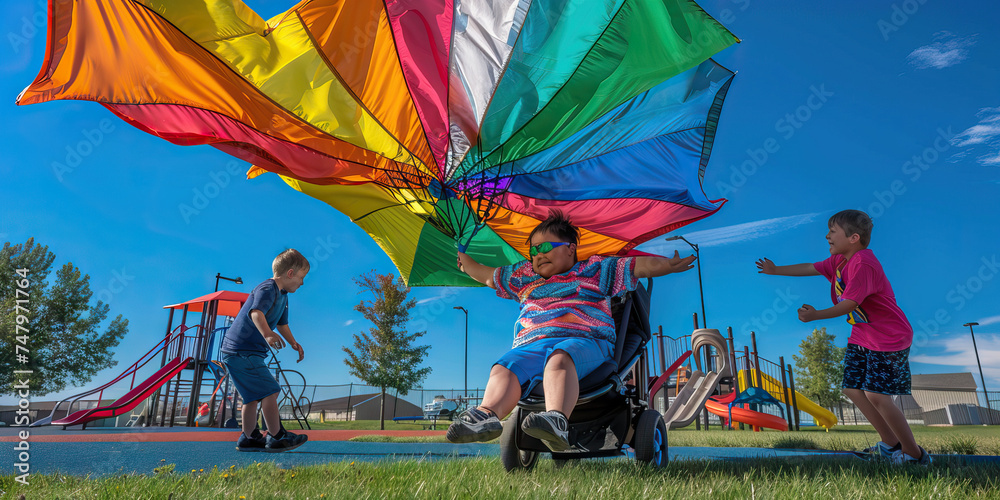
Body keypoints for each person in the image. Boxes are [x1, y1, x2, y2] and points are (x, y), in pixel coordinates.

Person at [446, 211, 696, 451]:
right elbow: (489, 276)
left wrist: (668, 265)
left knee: (559, 358)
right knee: (505, 367)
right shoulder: (524, 276)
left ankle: (556, 419)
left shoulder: (594, 270)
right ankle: (486, 415)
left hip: (585, 340)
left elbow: (636, 267)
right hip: (532, 343)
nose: (538, 255)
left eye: (545, 247)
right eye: (533, 250)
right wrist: (465, 261)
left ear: (570, 248)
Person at [755, 209, 930, 465]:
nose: (827, 236)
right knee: (852, 388)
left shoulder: (863, 264)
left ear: (853, 238)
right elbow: (810, 267)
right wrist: (775, 270)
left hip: (889, 336)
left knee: (877, 395)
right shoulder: (839, 261)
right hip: (863, 333)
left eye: (832, 231)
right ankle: (890, 444)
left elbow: (849, 304)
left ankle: (915, 454)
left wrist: (816, 315)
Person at [221, 249, 310, 452]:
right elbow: (256, 313)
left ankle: (249, 437)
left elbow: (282, 324)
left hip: (239, 352)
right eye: (301, 277)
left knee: (251, 397)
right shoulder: (268, 288)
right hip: (243, 350)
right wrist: (267, 333)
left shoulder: (283, 296)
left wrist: (293, 343)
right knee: (271, 390)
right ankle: (277, 436)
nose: (302, 283)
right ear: (290, 273)